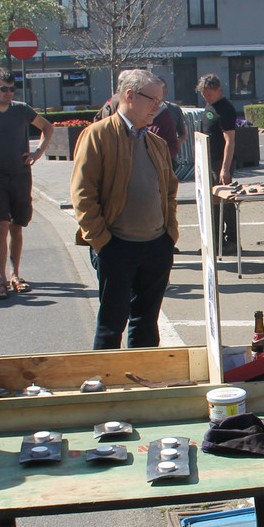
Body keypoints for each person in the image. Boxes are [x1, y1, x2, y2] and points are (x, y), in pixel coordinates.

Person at [70, 68, 179, 349]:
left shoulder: (156, 143)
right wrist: (103, 242)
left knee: (146, 325)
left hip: (156, 247)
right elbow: (83, 195)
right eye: (152, 99)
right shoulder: (98, 135)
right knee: (111, 325)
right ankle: (106, 388)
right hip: (116, 246)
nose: (158, 107)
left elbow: (169, 191)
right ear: (129, 95)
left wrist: (170, 236)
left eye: (161, 101)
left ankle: (143, 386)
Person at [0, 71, 54, 299]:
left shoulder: (22, 109)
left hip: (21, 174)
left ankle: (15, 274)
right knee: (0, 226)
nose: (8, 93)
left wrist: (38, 152)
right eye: (4, 89)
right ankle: (1, 279)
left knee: (17, 226)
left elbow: (47, 127)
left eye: (11, 89)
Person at [198, 73, 238, 245]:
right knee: (211, 203)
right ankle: (215, 238)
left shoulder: (226, 109)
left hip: (218, 162)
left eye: (209, 94)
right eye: (204, 94)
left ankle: (230, 238)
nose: (206, 97)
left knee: (224, 202)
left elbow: (230, 140)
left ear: (219, 90)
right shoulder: (209, 106)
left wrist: (225, 168)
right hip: (207, 160)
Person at [148, 77, 187, 161]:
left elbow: (183, 133)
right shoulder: (145, 109)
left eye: (159, 89)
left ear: (165, 91)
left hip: (169, 159)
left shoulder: (174, 109)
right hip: (149, 157)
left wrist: (175, 145)